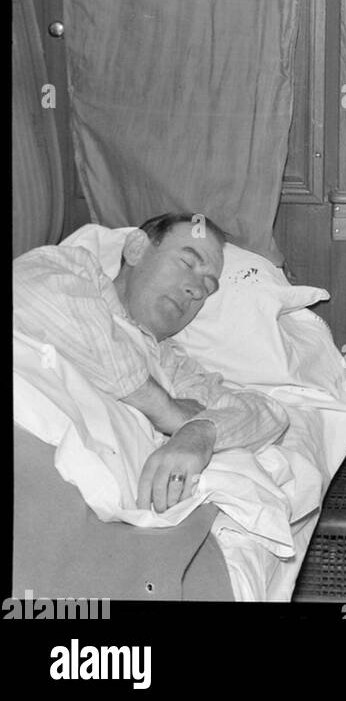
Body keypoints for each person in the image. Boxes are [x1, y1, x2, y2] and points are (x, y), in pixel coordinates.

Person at [13, 211, 289, 513]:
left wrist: (200, 432)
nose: (196, 289)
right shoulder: (71, 269)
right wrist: (163, 410)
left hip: (73, 495)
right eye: (187, 263)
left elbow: (270, 414)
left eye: (207, 287)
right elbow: (39, 299)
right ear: (135, 249)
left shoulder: (174, 367)